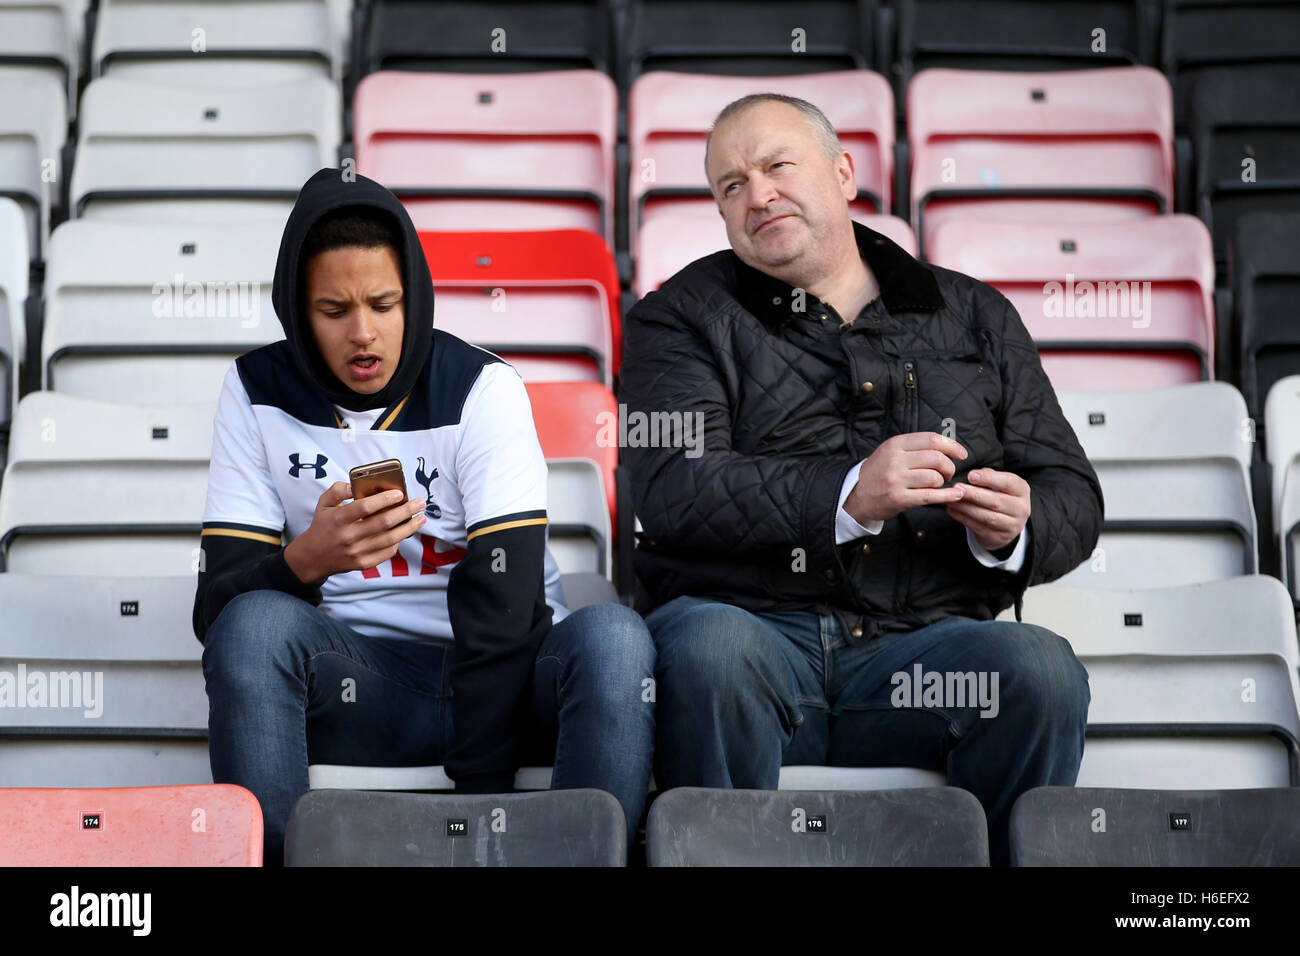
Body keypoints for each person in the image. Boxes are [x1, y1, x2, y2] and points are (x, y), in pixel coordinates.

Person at [619, 94, 1104, 866]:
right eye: (730, 186)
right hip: (752, 642)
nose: (758, 194)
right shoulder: (678, 316)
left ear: (844, 173)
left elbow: (1071, 491)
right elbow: (671, 487)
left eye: (777, 166)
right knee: (708, 649)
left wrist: (1016, 529)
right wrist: (845, 496)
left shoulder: (973, 314)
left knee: (1038, 672)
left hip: (921, 657)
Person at [193, 168, 655, 865]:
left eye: (385, 302)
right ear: (295, 308)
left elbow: (507, 600)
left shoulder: (480, 388)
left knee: (616, 639)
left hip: (510, 683)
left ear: (417, 294)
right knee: (253, 630)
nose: (363, 334)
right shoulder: (255, 389)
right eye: (332, 309)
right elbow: (216, 611)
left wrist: (477, 798)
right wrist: (307, 560)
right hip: (366, 687)